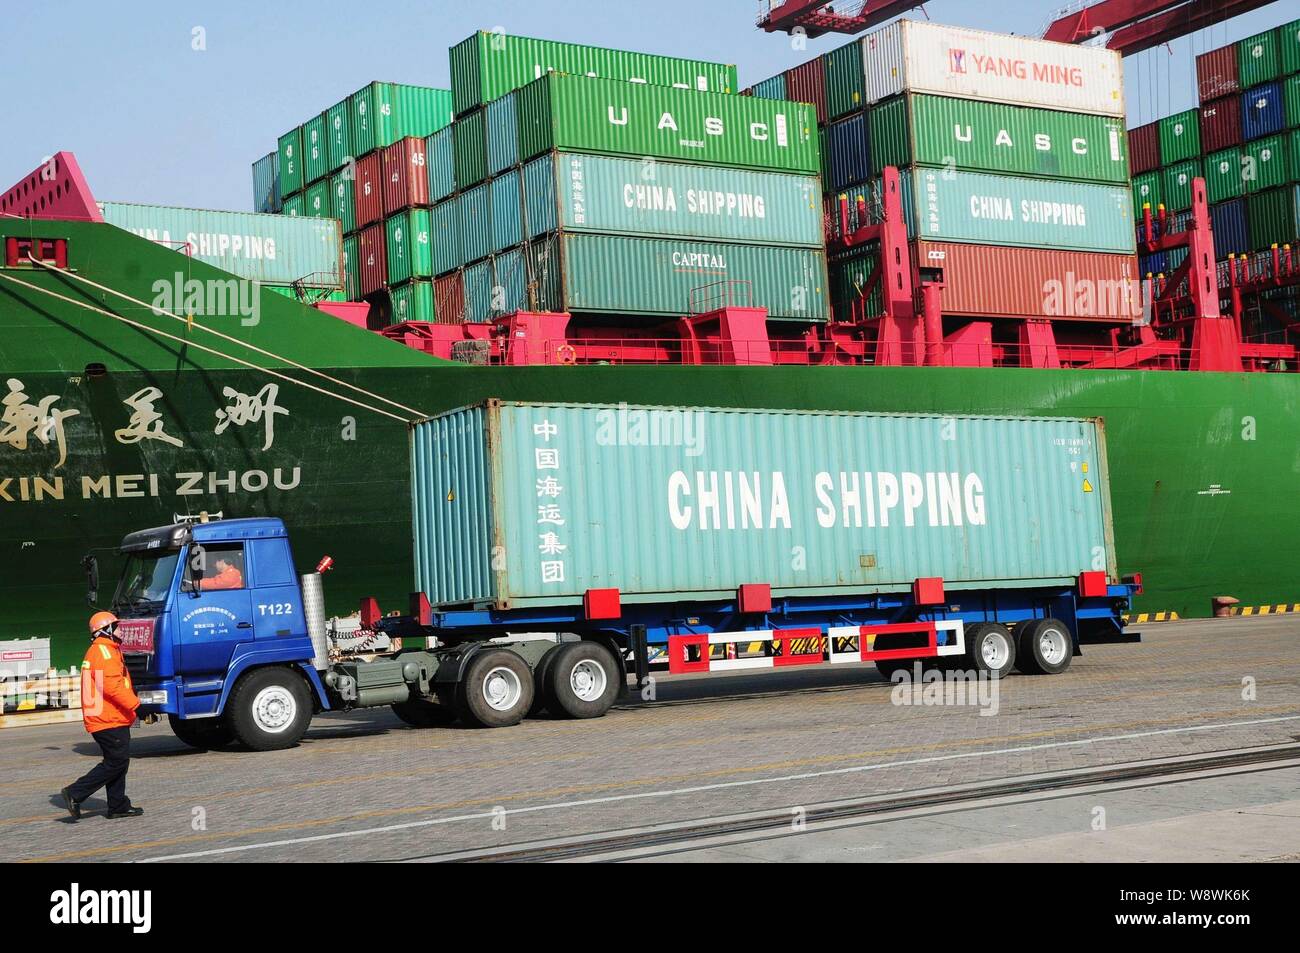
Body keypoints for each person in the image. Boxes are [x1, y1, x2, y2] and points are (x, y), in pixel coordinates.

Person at [60, 612, 144, 820]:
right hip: (108, 717)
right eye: (116, 626)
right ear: (105, 631)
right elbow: (112, 687)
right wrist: (136, 705)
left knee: (118, 761)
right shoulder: (104, 653)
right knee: (116, 761)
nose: (121, 630)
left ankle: (118, 805)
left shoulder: (105, 651)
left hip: (109, 715)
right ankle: (75, 793)